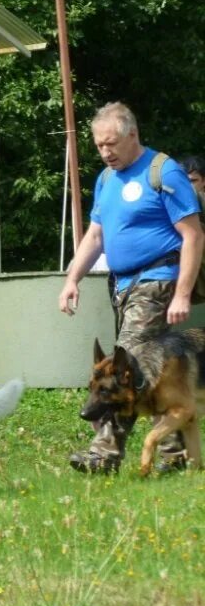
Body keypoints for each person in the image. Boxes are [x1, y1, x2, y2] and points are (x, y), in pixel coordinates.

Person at [58, 102, 203, 474]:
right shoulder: (106, 179)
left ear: (132, 135)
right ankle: (175, 454)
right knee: (156, 371)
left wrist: (182, 293)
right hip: (121, 287)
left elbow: (193, 235)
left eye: (112, 143)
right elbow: (95, 236)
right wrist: (72, 278)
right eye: (99, 145)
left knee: (125, 368)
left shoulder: (163, 171)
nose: (105, 152)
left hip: (158, 280)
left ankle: (103, 454)